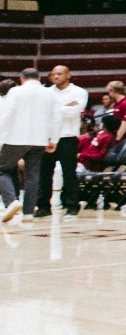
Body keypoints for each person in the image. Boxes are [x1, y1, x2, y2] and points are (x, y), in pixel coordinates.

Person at [0, 68, 60, 224]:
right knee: (33, 176)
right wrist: (54, 139)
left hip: (15, 138)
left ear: (22, 79)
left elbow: (7, 115)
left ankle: (11, 201)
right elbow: (56, 117)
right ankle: (28, 213)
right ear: (39, 78)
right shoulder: (50, 93)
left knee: (2, 169)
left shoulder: (15, 92)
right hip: (39, 140)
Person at [36, 64, 89, 217]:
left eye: (59, 74)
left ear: (68, 75)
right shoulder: (46, 92)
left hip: (68, 138)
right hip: (48, 138)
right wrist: (64, 107)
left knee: (69, 173)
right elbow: (42, 113)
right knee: (44, 174)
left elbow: (74, 112)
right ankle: (43, 206)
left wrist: (54, 109)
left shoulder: (79, 92)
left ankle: (72, 205)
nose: (56, 77)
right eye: (53, 74)